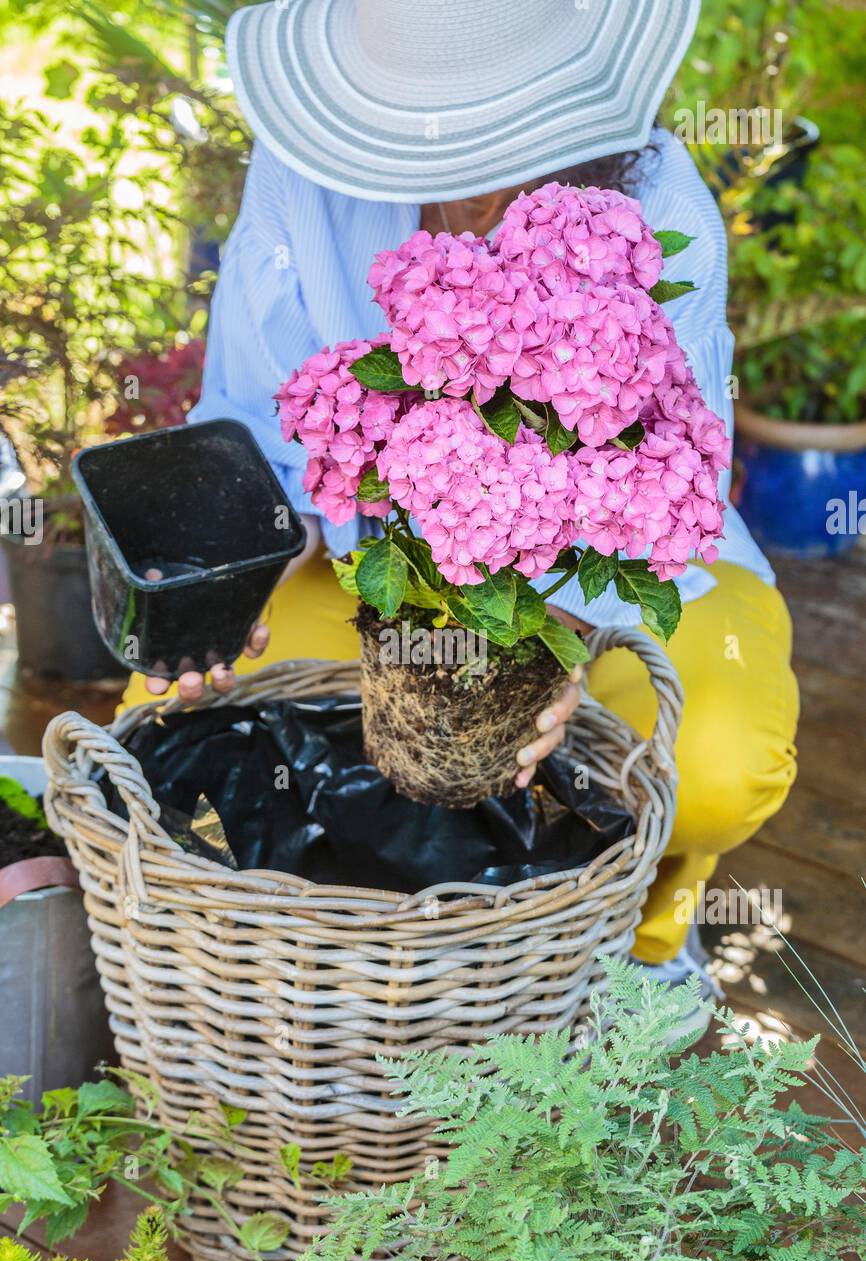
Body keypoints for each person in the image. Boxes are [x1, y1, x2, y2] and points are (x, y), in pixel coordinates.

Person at [121, 0, 799, 1031]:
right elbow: (256, 419)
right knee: (169, 709)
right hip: (372, 561)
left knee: (702, 760)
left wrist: (554, 651)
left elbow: (666, 470)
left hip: (625, 569)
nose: (462, 166)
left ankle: (641, 934)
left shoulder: (657, 203)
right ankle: (335, 951)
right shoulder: (302, 173)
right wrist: (235, 568)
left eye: (497, 125)